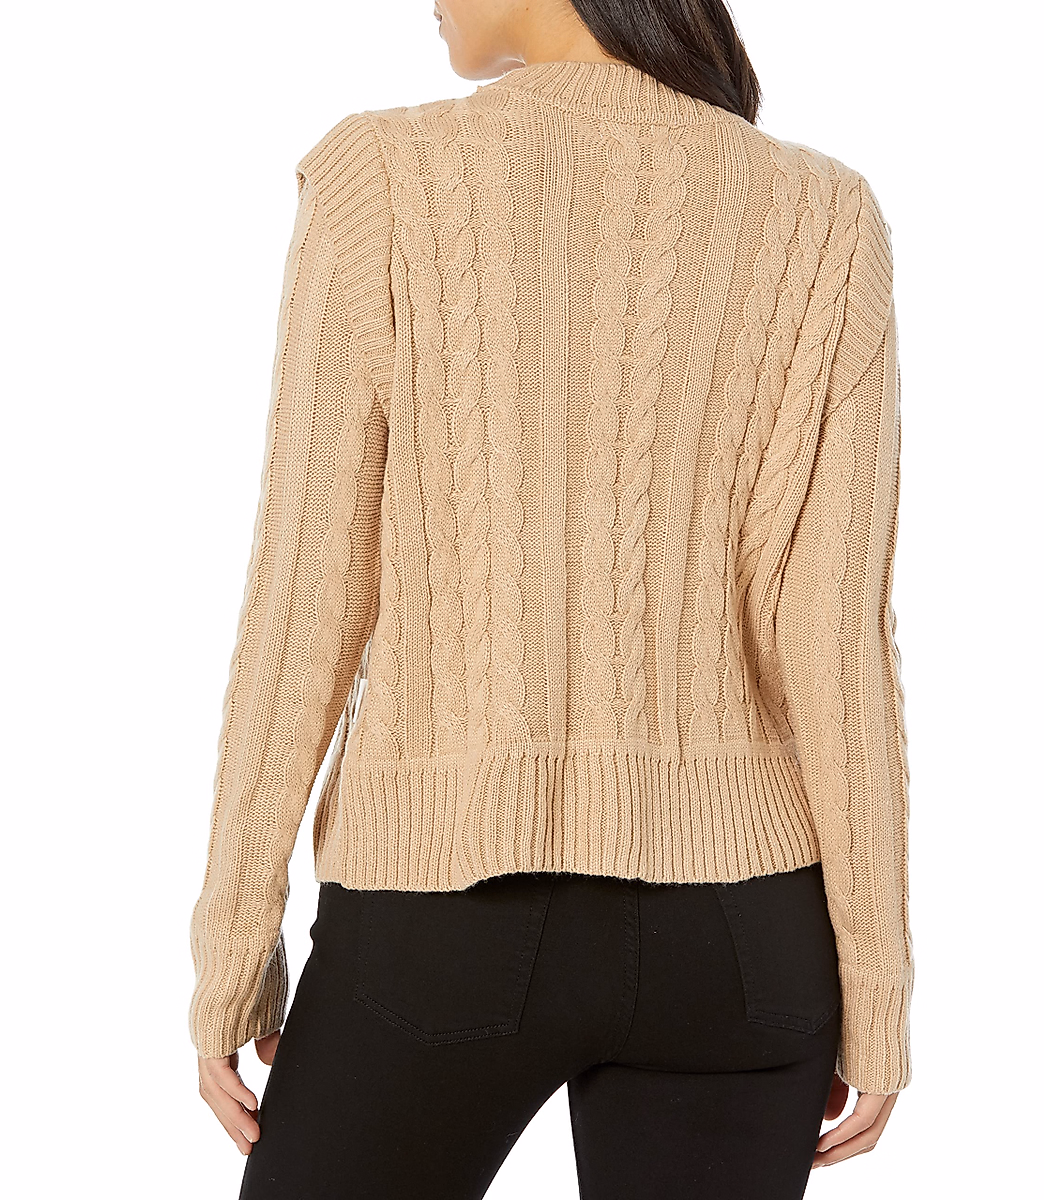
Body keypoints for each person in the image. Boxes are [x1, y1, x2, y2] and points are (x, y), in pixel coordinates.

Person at [190, 1, 916, 1195]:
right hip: (741, 943)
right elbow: (836, 634)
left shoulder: (385, 179)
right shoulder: (823, 214)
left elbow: (306, 595)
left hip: (441, 914)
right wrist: (878, 988)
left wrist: (230, 945)